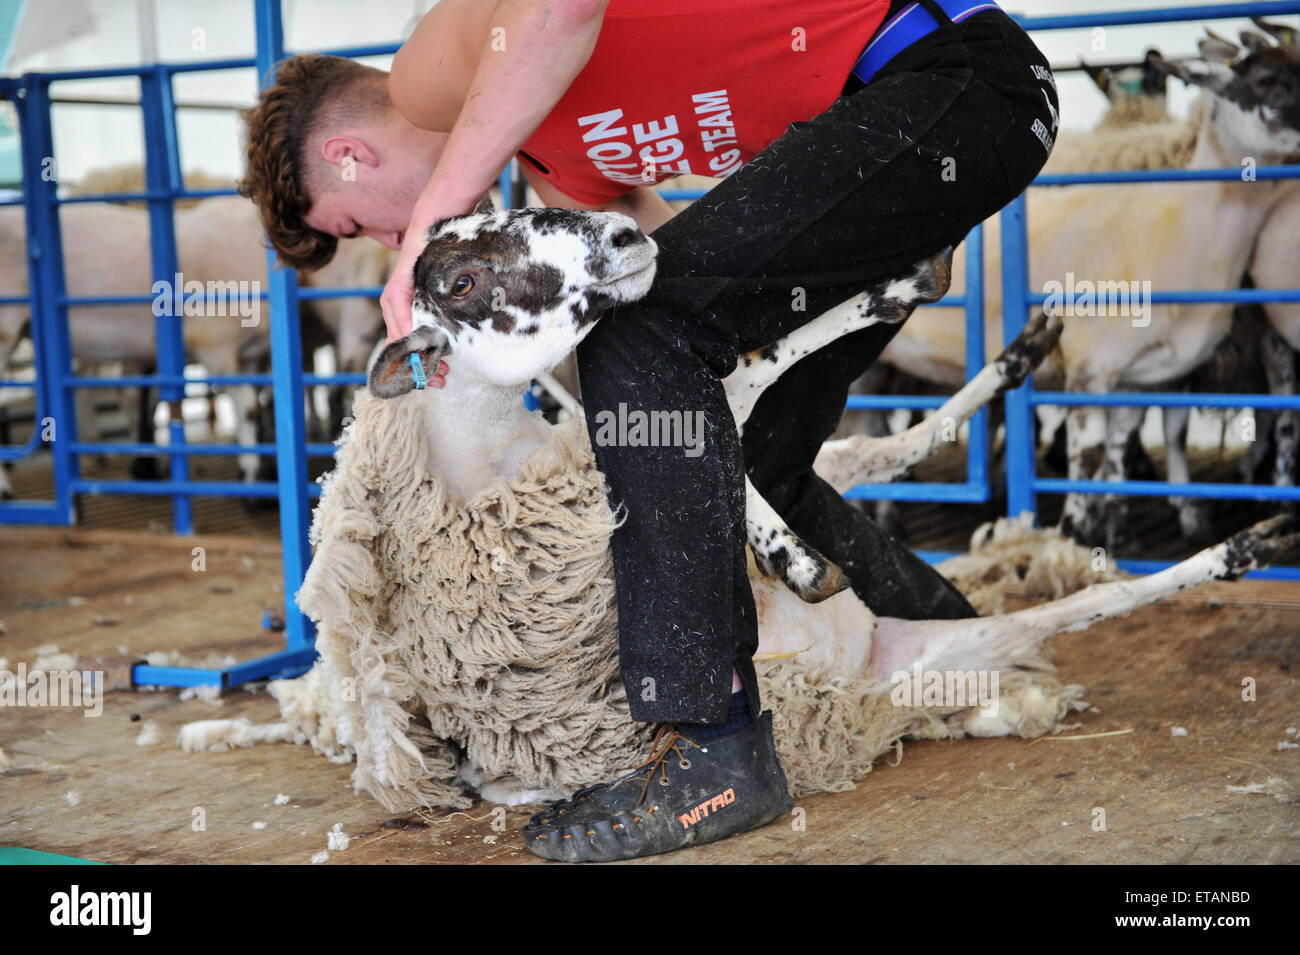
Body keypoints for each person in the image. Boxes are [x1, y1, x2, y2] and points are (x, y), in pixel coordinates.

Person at [239, 0, 1059, 862]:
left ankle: (714, 746)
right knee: (742, 437)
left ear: (350, 154)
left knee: (643, 337)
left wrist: (425, 237)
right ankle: (950, 637)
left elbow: (560, 11)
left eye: (358, 225)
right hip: (921, 122)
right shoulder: (556, 151)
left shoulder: (423, 71)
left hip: (943, 78)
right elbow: (677, 272)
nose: (387, 240)